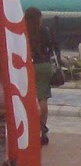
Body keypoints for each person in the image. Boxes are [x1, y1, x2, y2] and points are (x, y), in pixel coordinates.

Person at [23, 8, 59, 146]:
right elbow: (54, 46)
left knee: (28, 98)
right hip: (44, 65)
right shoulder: (45, 30)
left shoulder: (23, 30)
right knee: (42, 98)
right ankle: (42, 129)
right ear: (39, 18)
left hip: (27, 66)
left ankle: (30, 129)